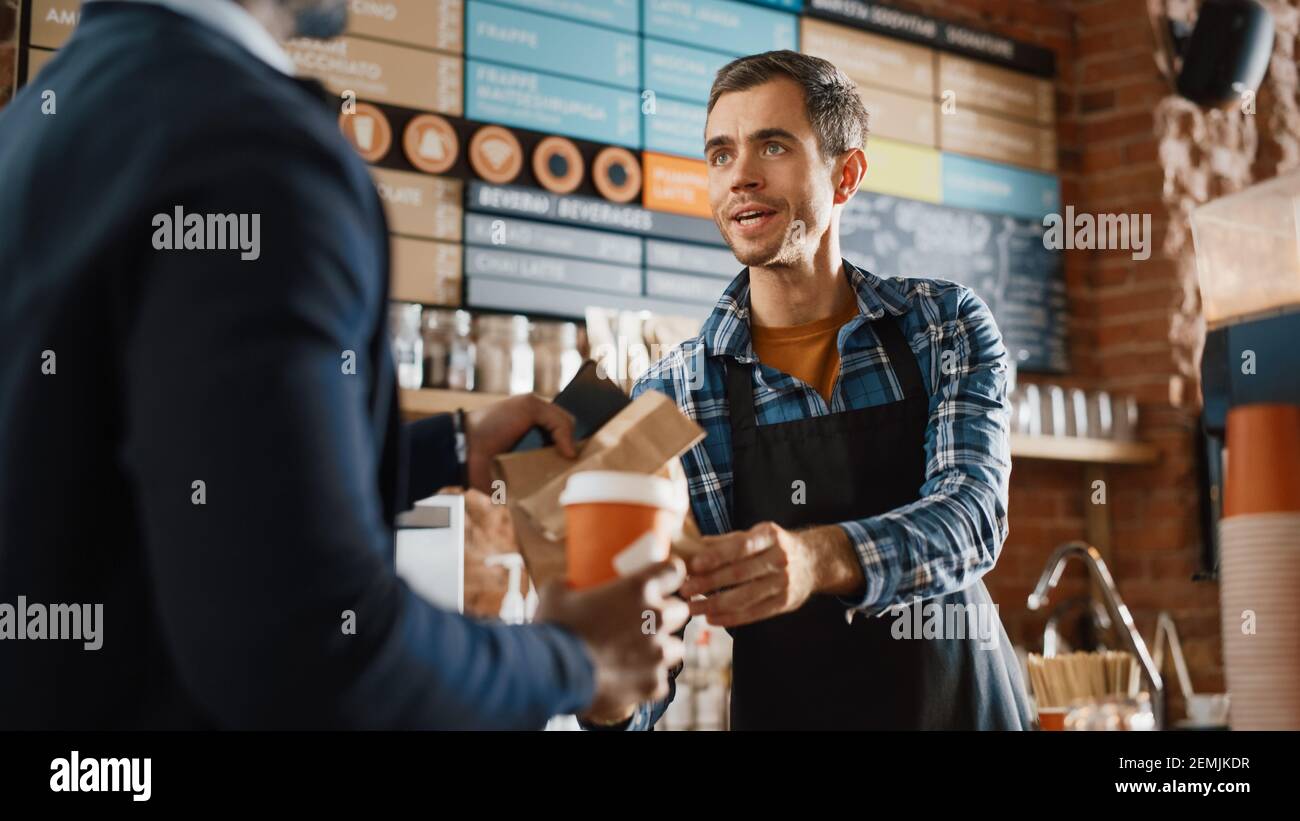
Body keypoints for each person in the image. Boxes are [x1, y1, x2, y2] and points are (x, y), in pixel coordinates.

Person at [0, 0, 687, 730]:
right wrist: (573, 659)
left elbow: (187, 481)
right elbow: (310, 641)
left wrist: (448, 449)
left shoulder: (41, 118)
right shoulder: (255, 153)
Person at [592, 51, 1034, 730]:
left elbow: (971, 516)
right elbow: (657, 633)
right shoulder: (673, 393)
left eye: (772, 145)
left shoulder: (941, 326)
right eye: (719, 153)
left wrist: (816, 558)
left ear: (847, 173)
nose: (740, 175)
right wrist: (609, 693)